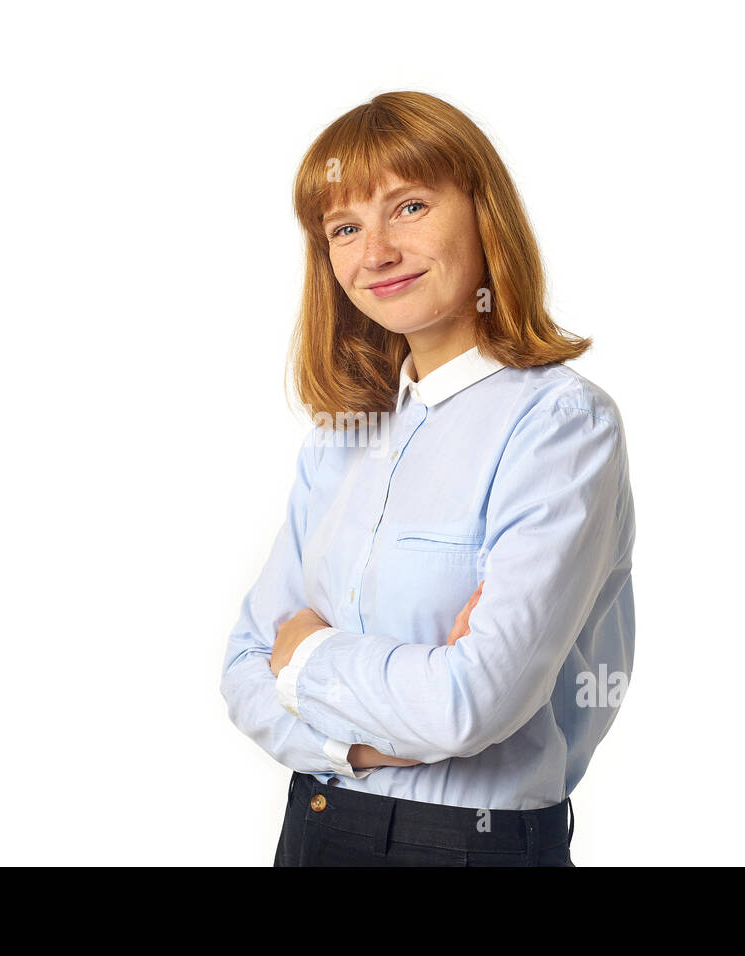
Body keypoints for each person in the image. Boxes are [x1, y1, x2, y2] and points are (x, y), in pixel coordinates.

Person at [219, 90, 636, 867]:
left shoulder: (559, 426)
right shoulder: (340, 438)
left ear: (484, 213)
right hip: (311, 831)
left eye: (408, 207)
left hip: (464, 851)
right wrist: (369, 748)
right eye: (344, 228)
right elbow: (244, 669)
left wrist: (305, 657)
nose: (373, 252)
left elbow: (468, 704)